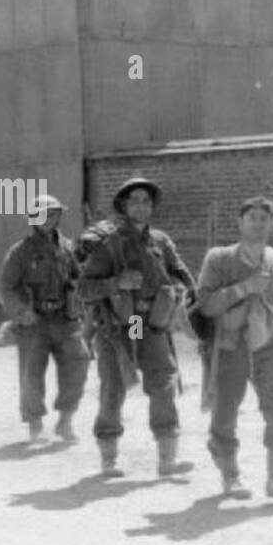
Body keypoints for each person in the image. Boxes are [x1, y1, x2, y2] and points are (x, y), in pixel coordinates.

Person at [77, 177, 196, 478]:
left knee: (163, 384)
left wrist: (185, 291)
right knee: (114, 387)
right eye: (135, 201)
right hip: (123, 325)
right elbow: (83, 289)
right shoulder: (109, 244)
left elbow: (180, 272)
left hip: (153, 323)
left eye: (146, 200)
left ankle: (167, 460)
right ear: (124, 206)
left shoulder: (161, 241)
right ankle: (109, 458)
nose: (141, 206)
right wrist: (116, 283)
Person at [194, 195, 273, 499]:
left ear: (272, 224)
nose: (257, 224)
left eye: (264, 218)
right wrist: (244, 288)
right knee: (225, 413)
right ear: (240, 223)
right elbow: (205, 305)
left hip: (272, 345)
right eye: (251, 217)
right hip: (231, 345)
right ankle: (230, 476)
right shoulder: (219, 259)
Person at [0, 194, 91, 442]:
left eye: (53, 214)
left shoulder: (69, 249)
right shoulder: (21, 252)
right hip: (33, 322)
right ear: (32, 218)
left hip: (65, 319)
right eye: (42, 214)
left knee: (78, 364)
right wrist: (20, 312)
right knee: (30, 374)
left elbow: (82, 279)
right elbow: (6, 286)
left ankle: (66, 420)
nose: (48, 219)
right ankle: (35, 424)